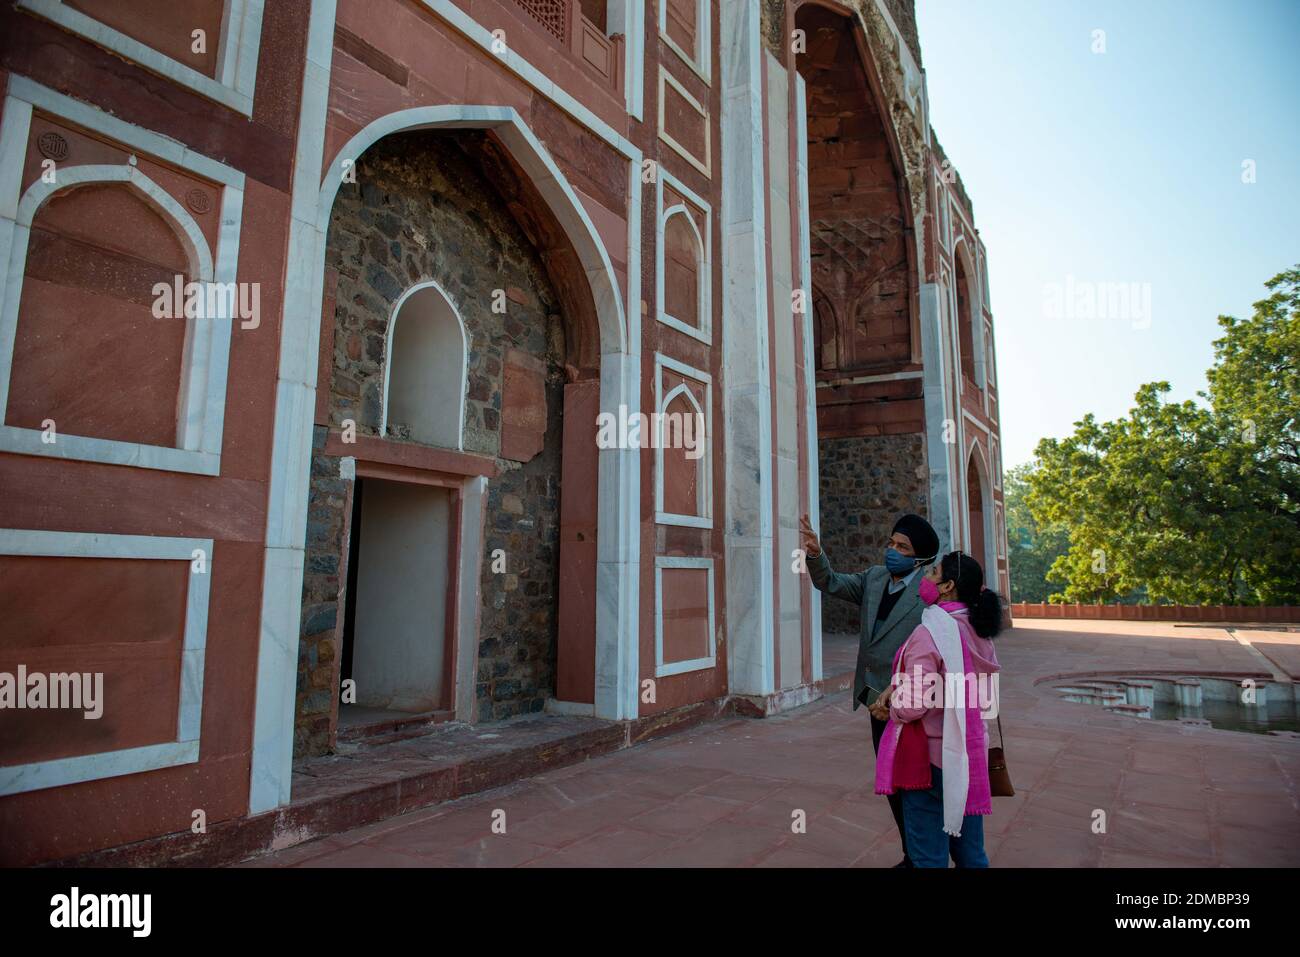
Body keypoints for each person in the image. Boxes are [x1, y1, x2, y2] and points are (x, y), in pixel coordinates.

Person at [799, 511, 939, 868]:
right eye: (891, 543)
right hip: (873, 698)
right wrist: (816, 554)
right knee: (890, 781)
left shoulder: (929, 595)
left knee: (915, 784)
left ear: (920, 558)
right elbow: (830, 582)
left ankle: (924, 855)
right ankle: (913, 853)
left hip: (910, 703)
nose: (892, 550)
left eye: (902, 547)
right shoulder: (874, 579)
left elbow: (938, 651)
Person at [877, 551, 1003, 868]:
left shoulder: (931, 632)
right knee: (971, 853)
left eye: (933, 572)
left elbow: (914, 705)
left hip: (932, 758)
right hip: (971, 755)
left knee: (929, 857)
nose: (926, 578)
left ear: (947, 586)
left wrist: (892, 705)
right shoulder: (978, 630)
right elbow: (985, 696)